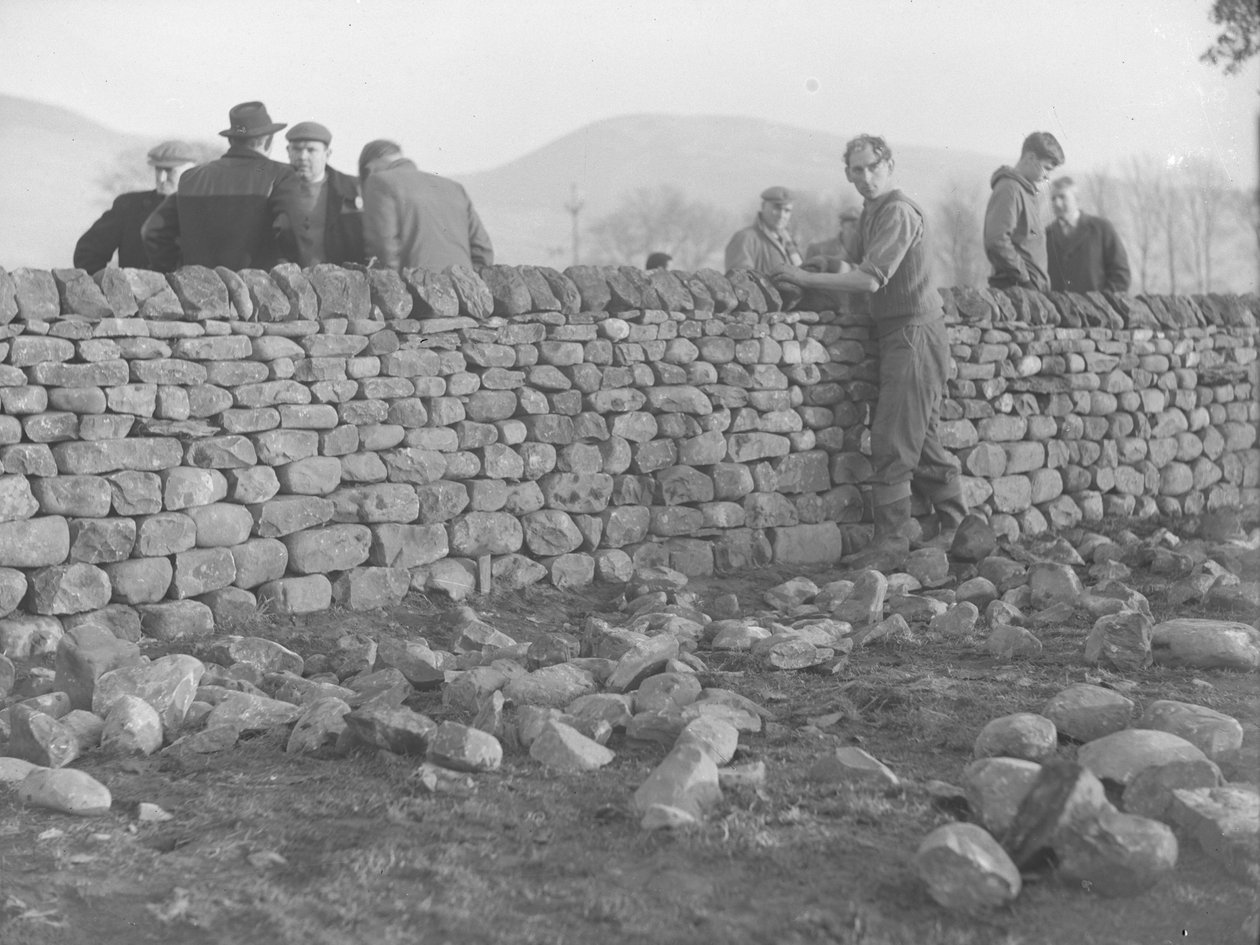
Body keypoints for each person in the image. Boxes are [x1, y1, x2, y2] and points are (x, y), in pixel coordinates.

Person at [773, 135, 965, 569]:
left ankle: (892, 542)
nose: (865, 177)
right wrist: (819, 268)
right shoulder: (872, 211)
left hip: (915, 333)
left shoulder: (896, 211)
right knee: (921, 437)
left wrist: (806, 279)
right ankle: (958, 526)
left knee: (893, 437)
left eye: (872, 167)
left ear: (890, 164)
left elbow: (869, 280)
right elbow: (854, 266)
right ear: (847, 173)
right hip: (899, 332)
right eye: (855, 170)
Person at [141, 101, 302, 272]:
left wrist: (177, 273)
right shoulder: (282, 175)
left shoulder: (192, 177)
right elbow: (292, 231)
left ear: (232, 140)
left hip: (198, 292)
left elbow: (152, 232)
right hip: (257, 293)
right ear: (268, 141)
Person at [358, 139, 493, 272]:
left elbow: (383, 249)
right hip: (467, 289)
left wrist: (396, 288)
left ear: (368, 169)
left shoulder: (378, 182)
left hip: (417, 289)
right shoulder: (454, 188)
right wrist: (468, 283)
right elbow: (483, 250)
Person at [73, 140, 198, 273]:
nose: (161, 178)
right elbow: (87, 253)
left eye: (169, 171)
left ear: (191, 171)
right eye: (158, 170)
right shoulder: (129, 206)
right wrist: (110, 287)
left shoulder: (205, 210)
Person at [983, 131, 1065, 290]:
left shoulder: (1024, 191)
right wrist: (1024, 279)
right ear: (1031, 158)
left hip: (1026, 288)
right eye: (1046, 168)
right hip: (1015, 289)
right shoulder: (1010, 189)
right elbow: (996, 240)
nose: (1047, 177)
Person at [282, 121, 365, 266]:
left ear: (327, 154)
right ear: (288, 151)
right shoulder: (274, 189)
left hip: (342, 279)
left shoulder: (353, 189)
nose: (302, 156)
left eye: (311, 150)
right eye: (297, 149)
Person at [1046, 177, 1131, 293]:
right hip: (1058, 309)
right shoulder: (1046, 235)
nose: (1056, 203)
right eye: (1053, 199)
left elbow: (1121, 275)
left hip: (1097, 308)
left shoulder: (1101, 229)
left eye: (1062, 197)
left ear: (1077, 199)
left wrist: (1102, 303)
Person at [724, 186, 803, 274]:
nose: (782, 215)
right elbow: (740, 280)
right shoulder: (745, 238)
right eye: (777, 208)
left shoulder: (789, 242)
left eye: (787, 210)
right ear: (763, 206)